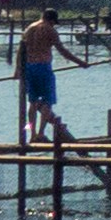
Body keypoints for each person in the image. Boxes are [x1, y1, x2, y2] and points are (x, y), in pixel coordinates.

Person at [16, 9, 71, 144]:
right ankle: (40, 134)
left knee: (33, 102)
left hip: (29, 67)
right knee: (47, 102)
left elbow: (20, 50)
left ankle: (32, 134)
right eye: (54, 23)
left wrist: (18, 70)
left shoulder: (29, 28)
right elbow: (62, 51)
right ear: (51, 20)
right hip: (43, 67)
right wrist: (81, 63)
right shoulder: (50, 30)